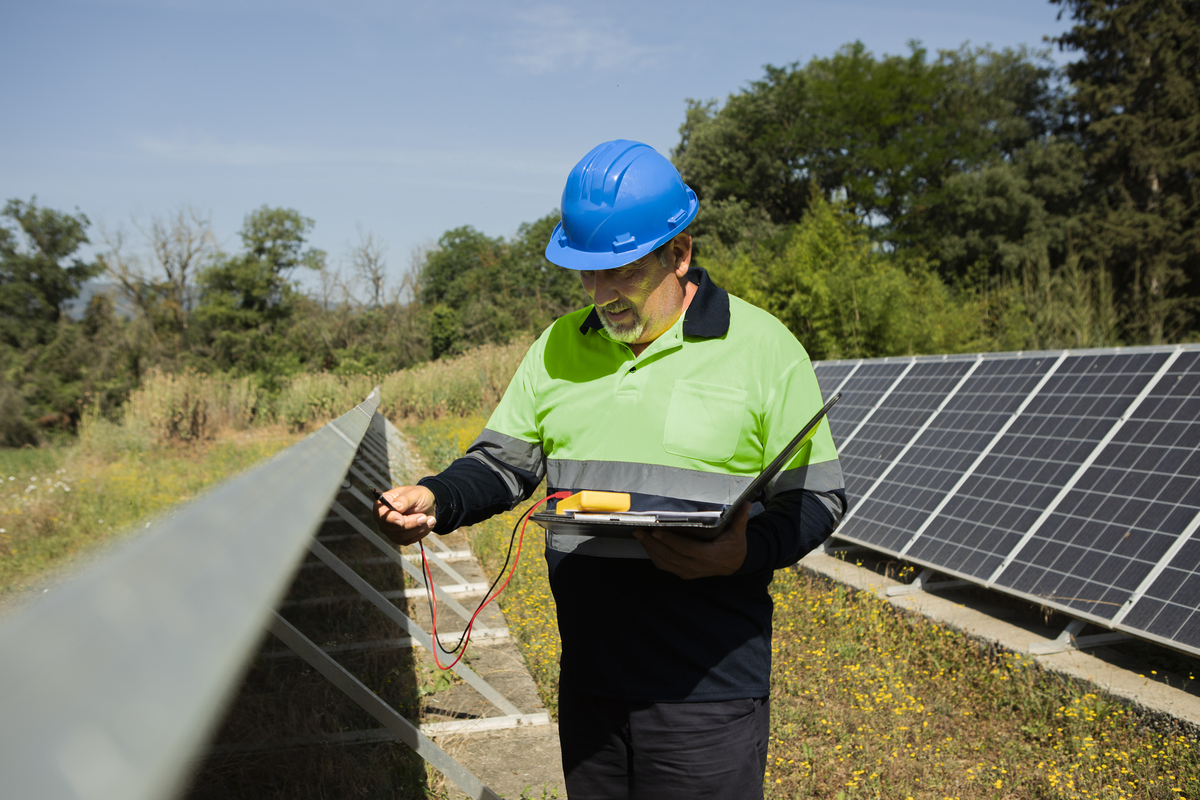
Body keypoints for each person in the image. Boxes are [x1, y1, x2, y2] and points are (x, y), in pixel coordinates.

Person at [375, 139, 845, 800]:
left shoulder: (762, 348)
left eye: (621, 271)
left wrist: (744, 553)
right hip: (591, 684)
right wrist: (435, 496)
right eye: (588, 275)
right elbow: (502, 464)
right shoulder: (558, 348)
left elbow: (818, 496)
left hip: (704, 694)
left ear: (679, 253)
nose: (602, 294)